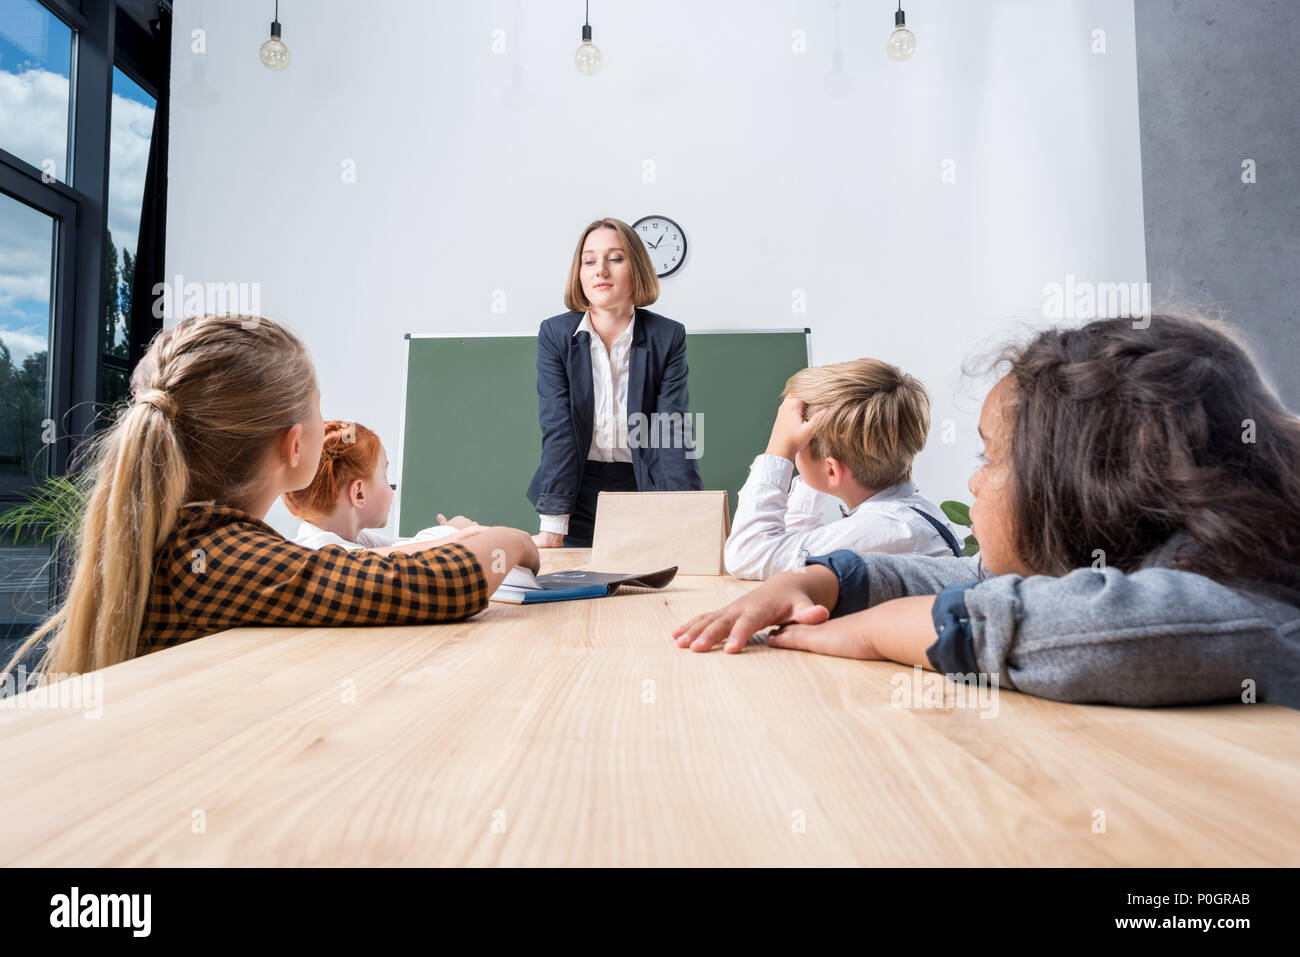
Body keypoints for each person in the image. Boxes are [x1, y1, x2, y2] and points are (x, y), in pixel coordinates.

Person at [673, 313, 1300, 709]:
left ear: (1085, 489)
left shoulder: (1241, 601)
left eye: (992, 458)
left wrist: (868, 629)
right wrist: (830, 578)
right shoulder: (1126, 550)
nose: (973, 479)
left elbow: (1101, 630)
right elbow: (973, 580)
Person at [3, 314, 538, 679]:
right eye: (316, 405)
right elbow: (433, 585)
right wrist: (512, 541)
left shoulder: (190, 535)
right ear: (295, 443)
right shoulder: (218, 554)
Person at [526, 217, 702, 548]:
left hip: (642, 487)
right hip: (574, 491)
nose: (600, 271)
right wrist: (553, 524)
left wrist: (686, 515)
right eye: (589, 260)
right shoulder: (555, 335)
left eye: (615, 258)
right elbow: (558, 430)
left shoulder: (668, 336)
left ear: (636, 268)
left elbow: (671, 432)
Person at [725, 358, 964, 580]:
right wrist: (813, 468)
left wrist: (778, 450)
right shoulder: (900, 515)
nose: (793, 452)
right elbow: (791, 547)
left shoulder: (891, 529)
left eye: (796, 449)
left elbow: (748, 555)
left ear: (832, 471)